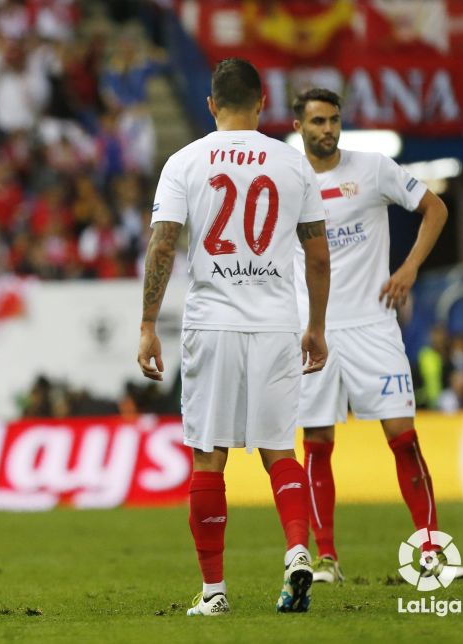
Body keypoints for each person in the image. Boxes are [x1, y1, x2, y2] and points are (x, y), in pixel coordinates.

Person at [138, 58, 331, 616]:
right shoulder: (292, 165)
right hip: (274, 323)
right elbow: (317, 256)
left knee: (208, 457)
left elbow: (163, 245)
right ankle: (299, 551)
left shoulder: (185, 161)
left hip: (213, 322)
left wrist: (149, 324)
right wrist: (315, 326)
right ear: (264, 103)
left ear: (210, 104)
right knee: (278, 450)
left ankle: (215, 592)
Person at [290, 88, 463, 584]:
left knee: (404, 438)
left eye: (334, 120)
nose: (327, 129)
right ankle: (326, 558)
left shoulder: (373, 168)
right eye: (318, 121)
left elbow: (435, 209)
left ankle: (431, 550)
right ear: (299, 125)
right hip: (315, 330)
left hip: (373, 325)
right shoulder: (286, 177)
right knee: (318, 444)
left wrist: (409, 268)